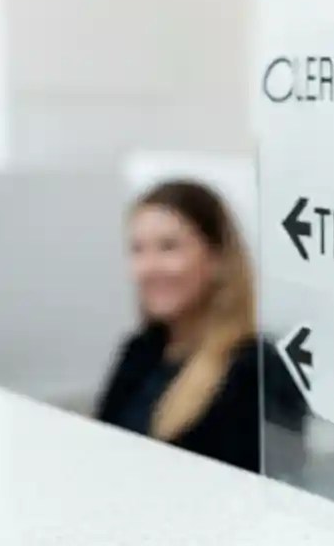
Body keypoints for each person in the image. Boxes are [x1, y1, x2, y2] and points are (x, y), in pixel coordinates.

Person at [98, 180, 285, 472]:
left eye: (168, 247)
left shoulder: (257, 371)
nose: (148, 267)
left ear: (217, 258)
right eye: (138, 250)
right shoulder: (139, 352)